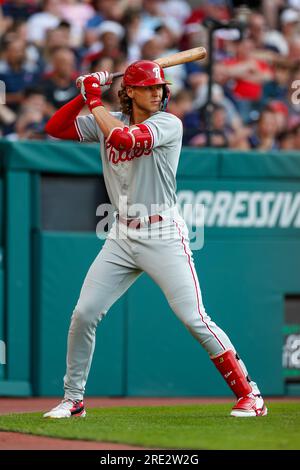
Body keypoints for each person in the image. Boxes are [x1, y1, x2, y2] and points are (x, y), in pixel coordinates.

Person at [43, 60, 267, 419]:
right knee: (84, 313)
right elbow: (55, 127)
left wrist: (94, 99)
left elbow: (122, 138)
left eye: (160, 87)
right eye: (149, 86)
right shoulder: (109, 117)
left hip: (162, 231)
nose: (158, 92)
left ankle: (250, 395)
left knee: (194, 317)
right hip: (120, 233)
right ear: (130, 91)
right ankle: (74, 399)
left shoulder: (167, 123)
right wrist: (81, 93)